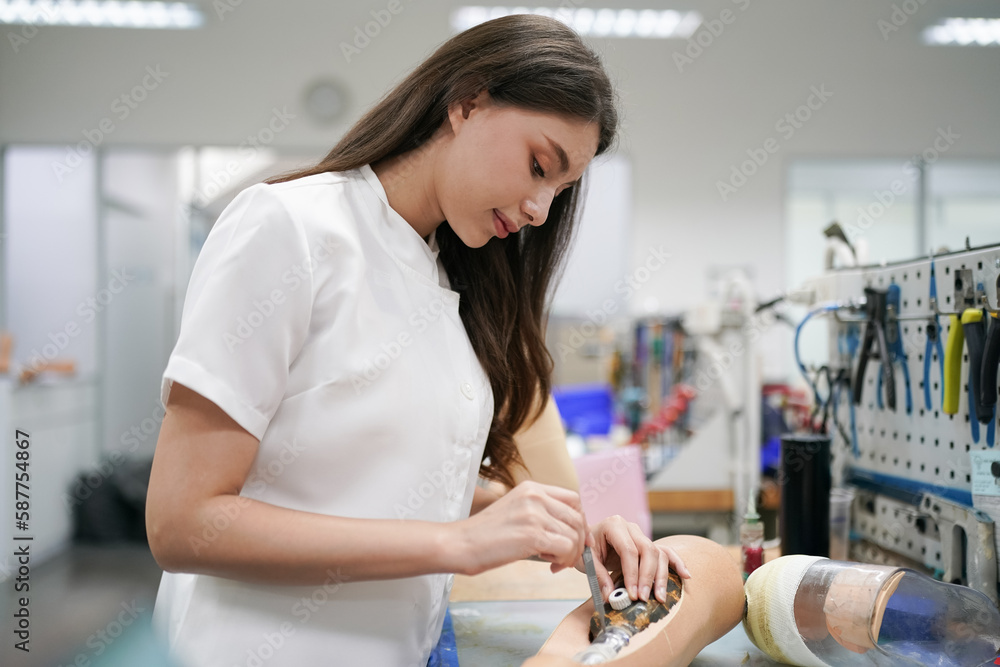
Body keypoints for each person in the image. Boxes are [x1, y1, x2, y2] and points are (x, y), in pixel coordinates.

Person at [145, 13, 690, 667]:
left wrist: (558, 525)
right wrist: (456, 542)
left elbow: (380, 473)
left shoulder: (450, 275)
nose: (540, 211)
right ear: (466, 101)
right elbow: (183, 523)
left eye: (561, 190)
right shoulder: (291, 229)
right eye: (538, 165)